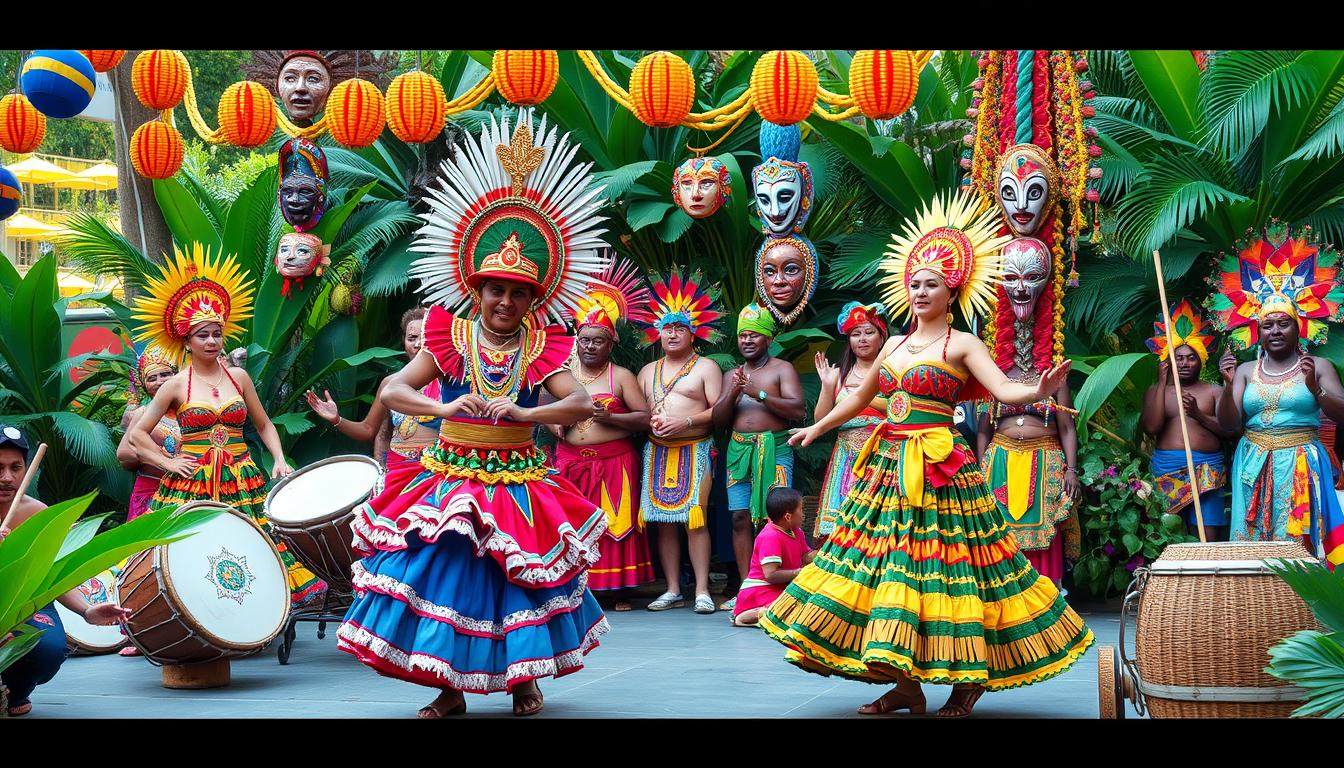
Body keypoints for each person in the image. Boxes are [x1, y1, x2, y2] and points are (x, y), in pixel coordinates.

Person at [767, 193, 1094, 718]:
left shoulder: (962, 344)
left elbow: (1004, 392)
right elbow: (860, 398)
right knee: (885, 570)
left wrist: (1041, 391)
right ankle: (905, 686)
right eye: (914, 283)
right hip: (887, 471)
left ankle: (966, 684)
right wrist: (818, 425)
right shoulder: (893, 346)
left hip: (943, 472)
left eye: (931, 284)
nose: (920, 291)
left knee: (953, 572)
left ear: (952, 291)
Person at [335, 111, 612, 718]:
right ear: (476, 288)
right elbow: (390, 389)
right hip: (450, 474)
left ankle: (524, 681)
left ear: (534, 298)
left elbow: (581, 402)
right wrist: (443, 404)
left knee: (516, 583)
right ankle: (448, 689)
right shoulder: (448, 335)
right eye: (496, 289)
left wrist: (523, 411)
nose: (506, 301)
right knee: (443, 579)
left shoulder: (546, 345)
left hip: (517, 479)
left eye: (518, 293)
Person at [127, 244, 324, 608]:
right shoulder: (174, 384)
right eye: (202, 335)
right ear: (186, 341)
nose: (212, 341)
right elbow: (136, 434)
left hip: (240, 475)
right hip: (192, 480)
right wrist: (169, 463)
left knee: (251, 544)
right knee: (192, 549)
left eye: (217, 334)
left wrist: (278, 457)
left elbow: (263, 425)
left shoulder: (239, 377)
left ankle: (253, 615)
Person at [1211, 226, 1344, 567]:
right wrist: (1227, 385)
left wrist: (1316, 388)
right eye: (1267, 325)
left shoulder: (1319, 365)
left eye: (1283, 323)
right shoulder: (1243, 371)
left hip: (1302, 462)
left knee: (1299, 542)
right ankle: (1258, 608)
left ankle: (1305, 608)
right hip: (1252, 462)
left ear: (1297, 326)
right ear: (1258, 331)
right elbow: (1228, 426)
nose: (1275, 330)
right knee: (1253, 544)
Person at [0, 425, 132, 716]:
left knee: (47, 649)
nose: (6, 478)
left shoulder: (39, 513)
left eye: (15, 467)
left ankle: (15, 690)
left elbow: (52, 575)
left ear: (26, 469)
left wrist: (87, 611)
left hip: (24, 602)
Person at [549, 259, 655, 611]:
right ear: (576, 340)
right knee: (570, 523)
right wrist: (554, 424)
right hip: (570, 462)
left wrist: (611, 417)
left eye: (598, 341)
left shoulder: (622, 376)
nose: (590, 346)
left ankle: (616, 590)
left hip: (614, 463)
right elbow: (544, 407)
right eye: (585, 340)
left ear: (611, 344)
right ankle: (572, 585)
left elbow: (644, 418)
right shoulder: (562, 374)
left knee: (613, 527)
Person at [977, 236, 1080, 584]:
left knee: (1043, 538)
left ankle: (1047, 601)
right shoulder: (997, 371)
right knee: (999, 536)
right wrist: (979, 470)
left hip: (1045, 459)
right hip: (1001, 460)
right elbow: (983, 428)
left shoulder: (1053, 373)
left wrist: (1072, 470)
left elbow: (1066, 426)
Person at [635, 269, 725, 615]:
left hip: (695, 447)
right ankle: (673, 588)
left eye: (679, 328)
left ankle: (702, 589)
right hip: (656, 450)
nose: (672, 334)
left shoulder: (706, 367)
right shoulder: (646, 371)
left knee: (694, 518)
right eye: (667, 328)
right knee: (661, 521)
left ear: (692, 334)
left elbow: (717, 411)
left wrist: (685, 420)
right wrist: (654, 422)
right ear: (658, 334)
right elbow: (640, 411)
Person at [711, 303, 805, 614]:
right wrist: (733, 393)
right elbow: (719, 420)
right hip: (739, 452)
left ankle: (781, 586)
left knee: (778, 517)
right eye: (743, 336)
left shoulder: (782, 369)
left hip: (774, 450)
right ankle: (747, 585)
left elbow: (797, 411)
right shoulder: (732, 375)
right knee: (738, 518)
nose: (747, 341)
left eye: (754, 335)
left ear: (767, 339)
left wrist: (759, 393)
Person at [305, 307, 441, 474]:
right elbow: (369, 430)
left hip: (437, 470)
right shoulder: (389, 384)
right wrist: (337, 419)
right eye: (411, 338)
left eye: (425, 337)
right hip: (397, 472)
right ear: (403, 341)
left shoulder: (450, 381)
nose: (418, 344)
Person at [1141, 300, 1232, 539]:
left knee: (1207, 535)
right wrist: (1162, 384)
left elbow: (1230, 431)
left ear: (1201, 361)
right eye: (1178, 357)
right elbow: (1151, 428)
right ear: (1169, 360)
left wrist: (1198, 415)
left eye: (1191, 358)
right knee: (1168, 533)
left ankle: (1206, 576)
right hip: (1168, 467)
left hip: (1207, 468)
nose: (1184, 363)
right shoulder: (1155, 390)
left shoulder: (1214, 391)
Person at [812, 302, 890, 539]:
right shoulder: (838, 375)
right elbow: (821, 421)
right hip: (845, 456)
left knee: (878, 524)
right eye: (856, 334)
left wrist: (860, 398)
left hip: (882, 454)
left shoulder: (891, 371)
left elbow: (900, 408)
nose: (862, 339)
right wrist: (827, 387)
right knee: (843, 528)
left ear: (882, 336)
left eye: (869, 332)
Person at [731, 487, 815, 627]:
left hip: (779, 588)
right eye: (801, 510)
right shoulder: (770, 536)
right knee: (797, 609)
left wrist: (825, 553)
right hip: (760, 591)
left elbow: (806, 556)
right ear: (788, 517)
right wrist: (799, 573)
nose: (803, 514)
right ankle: (751, 614)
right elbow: (770, 575)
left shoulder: (796, 532)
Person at [117, 345, 181, 523]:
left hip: (187, 490)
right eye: (152, 378)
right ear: (145, 385)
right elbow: (124, 454)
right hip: (150, 491)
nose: (160, 381)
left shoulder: (190, 411)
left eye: (165, 374)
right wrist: (157, 455)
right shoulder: (142, 413)